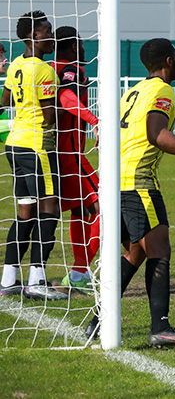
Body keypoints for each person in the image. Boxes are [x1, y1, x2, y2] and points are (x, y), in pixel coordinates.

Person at [86, 38, 175, 347]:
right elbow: (156, 134)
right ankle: (161, 327)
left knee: (135, 252)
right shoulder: (162, 90)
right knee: (159, 250)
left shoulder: (133, 91)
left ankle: (96, 321)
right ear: (169, 61)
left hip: (115, 180)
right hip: (138, 182)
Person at [1, 11, 66, 300]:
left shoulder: (16, 64)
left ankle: (8, 279)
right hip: (37, 147)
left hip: (14, 145)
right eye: (47, 30)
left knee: (25, 212)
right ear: (34, 36)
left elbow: (4, 101)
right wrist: (72, 102)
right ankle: (38, 280)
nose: (51, 35)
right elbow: (50, 117)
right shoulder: (44, 70)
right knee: (49, 209)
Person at [51, 26, 101, 294]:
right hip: (70, 155)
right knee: (104, 209)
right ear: (73, 47)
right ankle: (79, 272)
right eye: (80, 45)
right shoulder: (71, 68)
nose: (83, 50)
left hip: (48, 153)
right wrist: (93, 120)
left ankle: (25, 273)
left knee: (80, 211)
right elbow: (67, 96)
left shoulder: (46, 67)